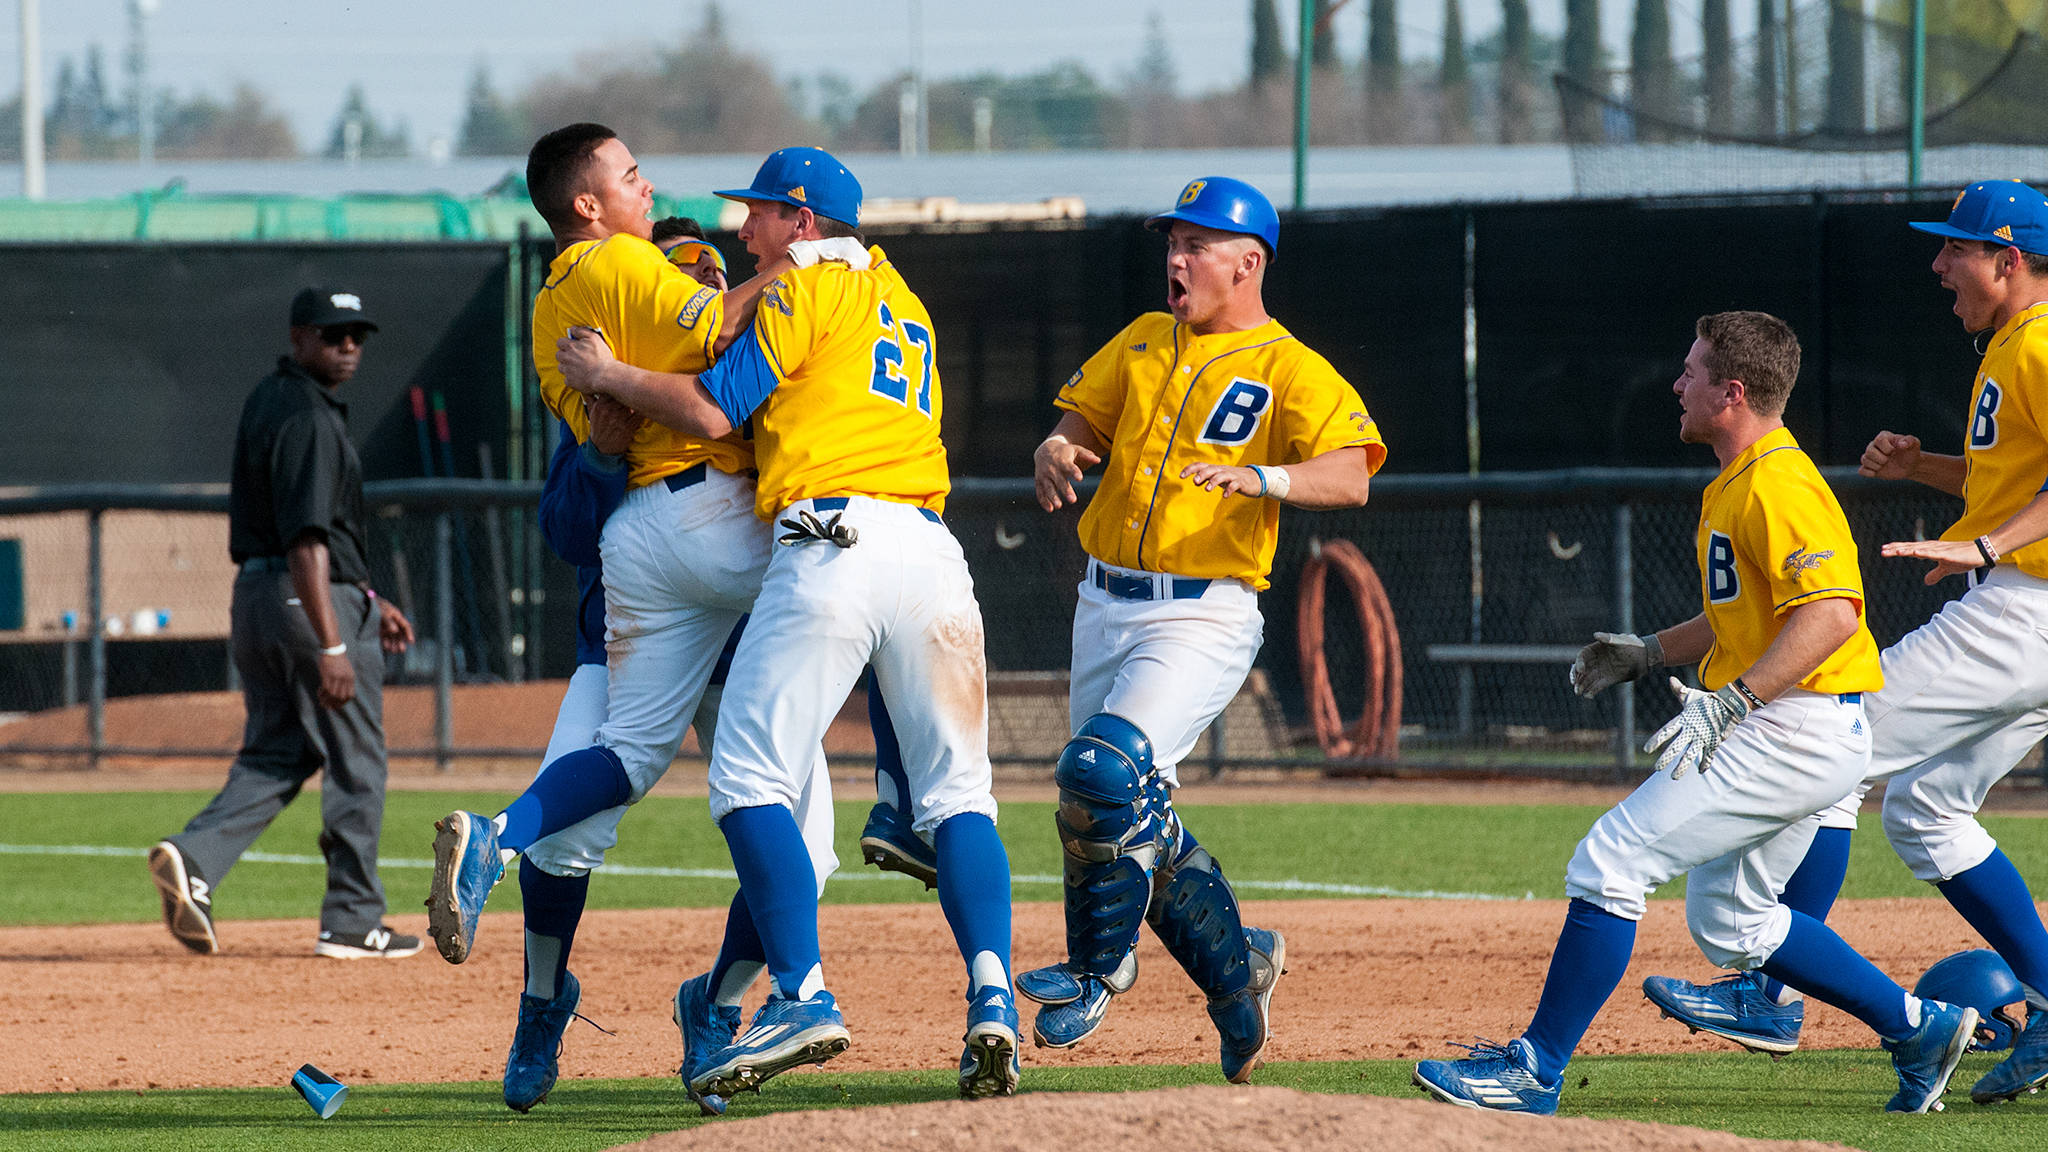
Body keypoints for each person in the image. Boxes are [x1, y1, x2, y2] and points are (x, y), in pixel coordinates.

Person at [1413, 312, 1978, 1116]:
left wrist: (1736, 701)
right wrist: (1648, 652)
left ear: (1733, 391)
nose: (1677, 385)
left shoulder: (1779, 483)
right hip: (1804, 724)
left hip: (1793, 725)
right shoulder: (1743, 478)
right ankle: (1920, 1029)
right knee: (1734, 920)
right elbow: (1748, 616)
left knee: (1609, 861)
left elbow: (1833, 615)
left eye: (1691, 372)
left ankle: (1533, 1069)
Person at [552, 145, 1020, 1101]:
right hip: (933, 553)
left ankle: (802, 993)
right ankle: (993, 998)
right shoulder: (905, 300)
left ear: (802, 224)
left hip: (834, 540)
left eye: (761, 212)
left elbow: (714, 413)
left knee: (749, 779)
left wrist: (611, 371)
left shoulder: (797, 288)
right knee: (962, 800)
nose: (743, 227)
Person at [1638, 180, 2048, 1106]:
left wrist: (1989, 546)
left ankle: (1769, 992)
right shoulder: (2013, 347)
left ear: (2009, 259)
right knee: (1925, 809)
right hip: (2020, 600)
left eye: (1956, 249)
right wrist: (1933, 475)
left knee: (1837, 733)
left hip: (2027, 608)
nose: (1940, 265)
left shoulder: (2040, 342)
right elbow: (2015, 479)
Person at [1019, 177, 1378, 1083]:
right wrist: (1054, 448)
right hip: (1103, 603)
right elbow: (1073, 429)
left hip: (1202, 611)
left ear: (1247, 263)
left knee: (1101, 772)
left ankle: (1099, 969)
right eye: (1172, 243)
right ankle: (1238, 975)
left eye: (1197, 245)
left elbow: (1351, 473)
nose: (1176, 259)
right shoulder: (1143, 339)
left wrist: (1270, 481)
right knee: (1121, 810)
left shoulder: (1288, 365)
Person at [148, 287, 418, 960]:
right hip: (308, 601)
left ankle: (195, 857)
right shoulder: (309, 417)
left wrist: (366, 597)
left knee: (281, 751)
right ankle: (354, 920)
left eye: (357, 334)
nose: (348, 345)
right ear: (299, 338)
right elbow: (307, 538)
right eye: (333, 334)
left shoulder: (272, 399)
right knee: (356, 763)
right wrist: (332, 640)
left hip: (259, 598)